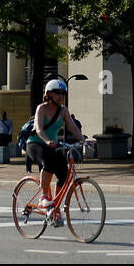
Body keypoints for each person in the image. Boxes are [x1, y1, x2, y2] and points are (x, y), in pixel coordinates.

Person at [25, 79, 86, 217]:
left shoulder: (63, 110)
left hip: (53, 145)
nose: (61, 96)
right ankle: (44, 197)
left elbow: (73, 128)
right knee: (49, 162)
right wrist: (47, 140)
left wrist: (84, 140)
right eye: (57, 93)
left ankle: (55, 207)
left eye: (63, 94)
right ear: (48, 94)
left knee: (64, 174)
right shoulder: (41, 108)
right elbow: (39, 129)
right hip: (36, 143)